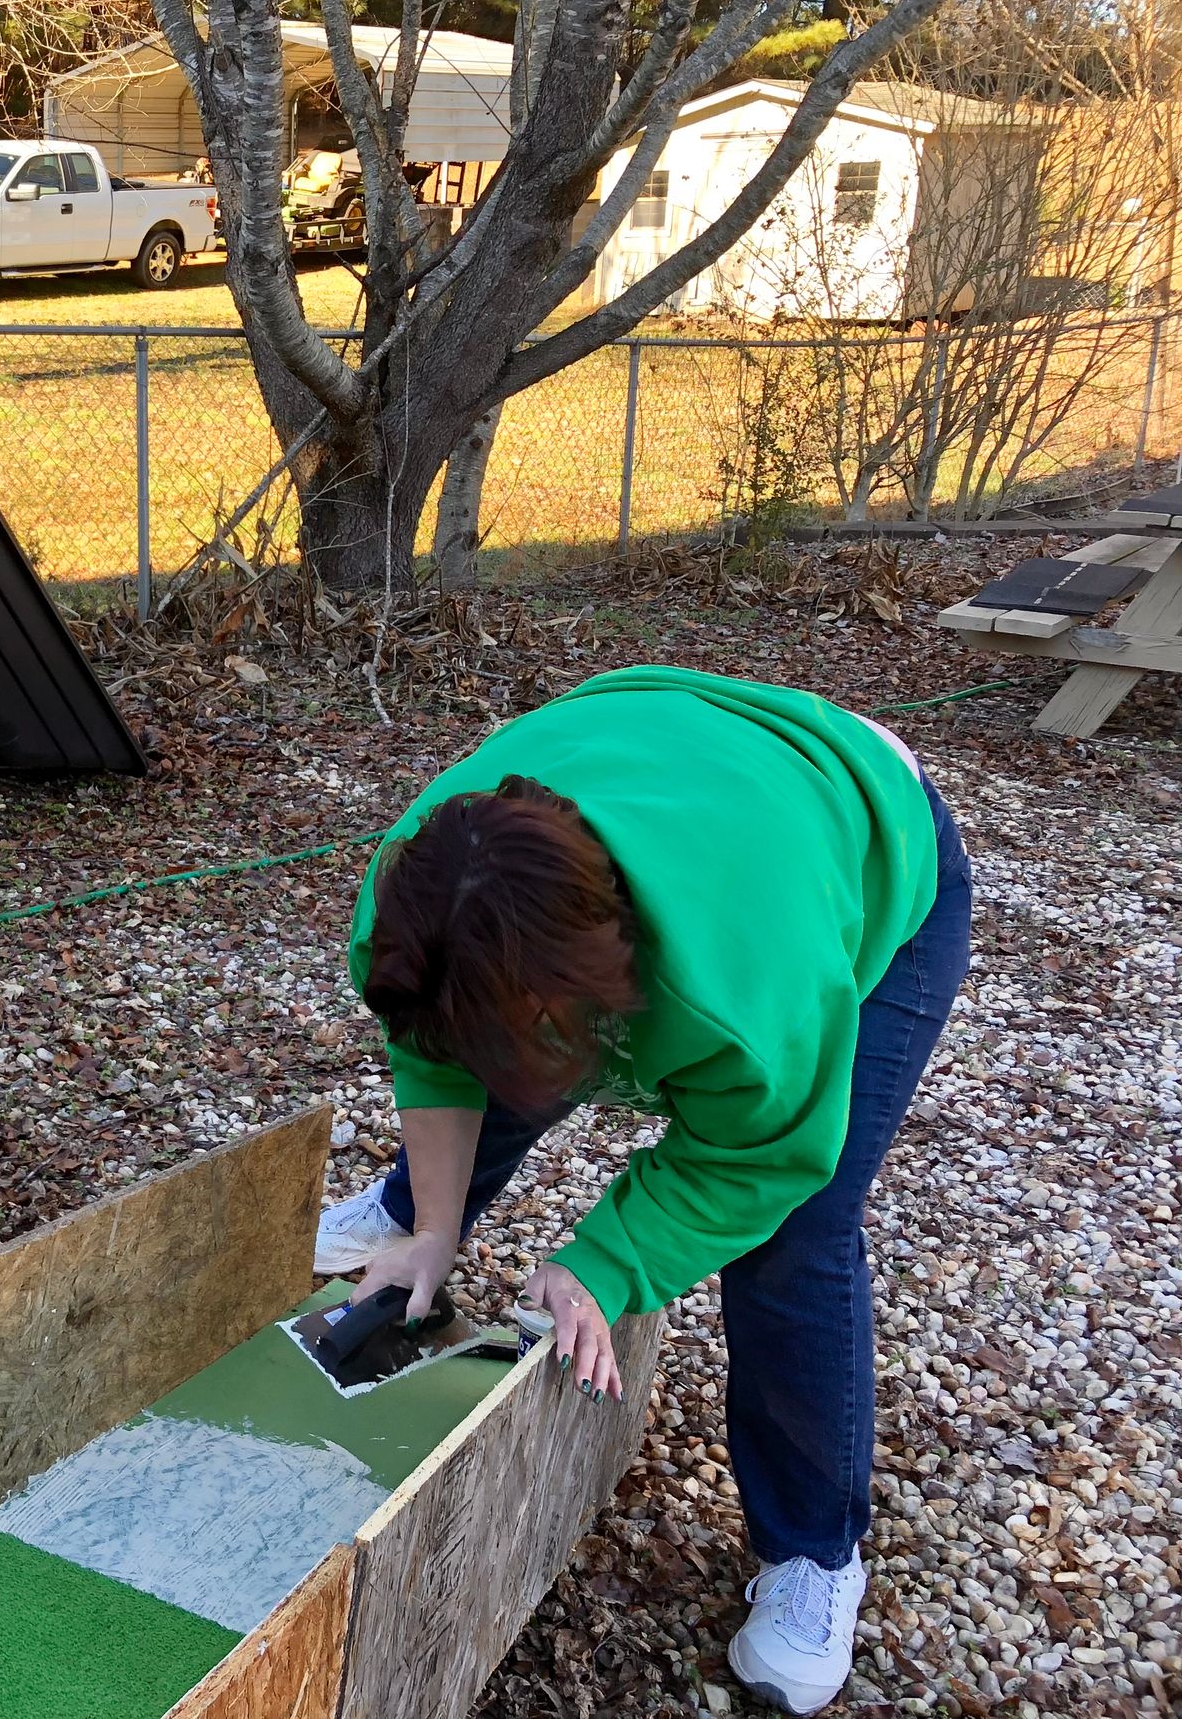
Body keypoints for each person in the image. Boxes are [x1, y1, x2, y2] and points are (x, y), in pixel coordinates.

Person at [316, 665, 970, 1716]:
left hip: (864, 832)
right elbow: (433, 1053)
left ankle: (814, 1554)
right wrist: (436, 1223)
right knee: (484, 1046)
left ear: (613, 1001)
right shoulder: (418, 897)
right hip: (684, 759)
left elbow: (758, 1158)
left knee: (797, 1234)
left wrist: (606, 1266)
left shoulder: (744, 990)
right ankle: (403, 1228)